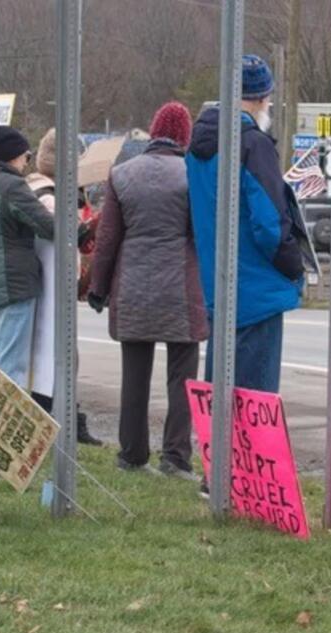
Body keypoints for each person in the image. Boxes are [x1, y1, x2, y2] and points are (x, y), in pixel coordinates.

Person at [89, 101, 209, 477]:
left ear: (153, 130)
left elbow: (107, 237)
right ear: (185, 136)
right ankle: (175, 456)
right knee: (182, 377)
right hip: (181, 287)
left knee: (134, 374)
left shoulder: (122, 174)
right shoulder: (194, 175)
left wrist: (97, 286)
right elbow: (203, 235)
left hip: (134, 287)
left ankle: (132, 453)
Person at [186, 54, 305, 395]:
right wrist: (293, 265)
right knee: (254, 405)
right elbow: (269, 223)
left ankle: (218, 451)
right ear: (262, 98)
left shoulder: (197, 149)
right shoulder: (253, 145)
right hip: (257, 290)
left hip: (217, 287)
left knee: (221, 400)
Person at [0, 118, 76, 387]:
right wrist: (75, 223)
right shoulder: (11, 186)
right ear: (13, 155)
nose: (27, 161)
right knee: (10, 362)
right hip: (13, 282)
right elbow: (48, 226)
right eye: (26, 155)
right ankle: (1, 426)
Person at [26, 128, 102, 446]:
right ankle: (62, 415)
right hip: (49, 284)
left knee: (59, 352)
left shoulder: (40, 189)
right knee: (55, 354)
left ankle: (66, 413)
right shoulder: (47, 195)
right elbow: (65, 235)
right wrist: (90, 227)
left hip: (50, 282)